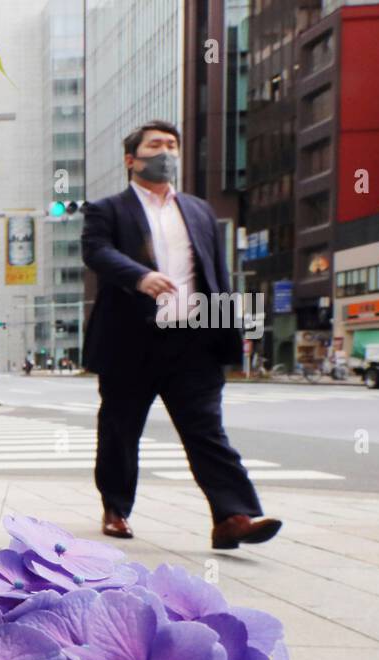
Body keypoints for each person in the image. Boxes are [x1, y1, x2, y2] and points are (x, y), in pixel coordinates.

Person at [81, 120, 281, 550]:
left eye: (172, 145)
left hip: (193, 339)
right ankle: (116, 508)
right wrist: (140, 276)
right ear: (131, 160)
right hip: (130, 340)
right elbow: (97, 252)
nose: (166, 152)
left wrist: (228, 330)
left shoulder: (199, 210)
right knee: (120, 428)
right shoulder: (107, 209)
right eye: (155, 145)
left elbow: (217, 274)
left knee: (206, 429)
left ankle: (232, 516)